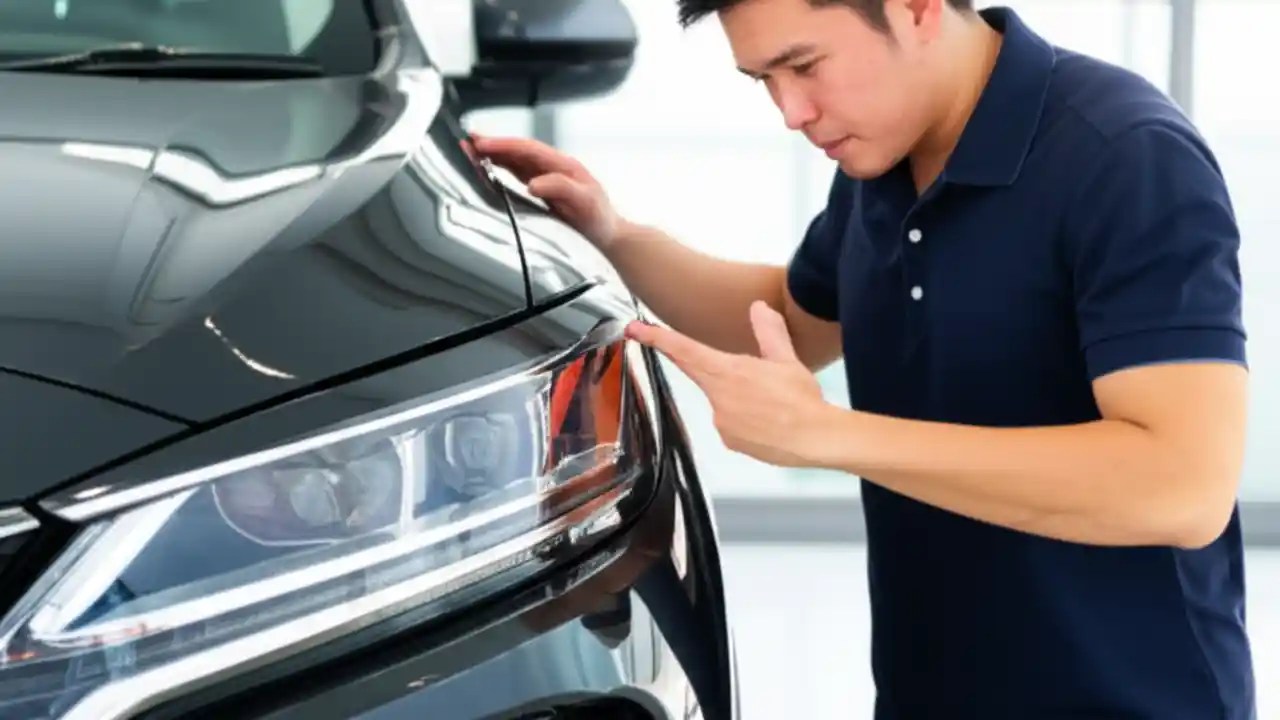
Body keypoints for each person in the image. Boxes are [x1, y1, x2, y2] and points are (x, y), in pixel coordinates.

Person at [469, 0, 1254, 717]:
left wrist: (828, 436)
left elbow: (1181, 486)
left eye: (805, 66)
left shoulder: (1127, 157)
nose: (791, 112)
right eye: (764, 80)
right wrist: (614, 237)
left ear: (914, 8)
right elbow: (791, 321)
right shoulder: (884, 157)